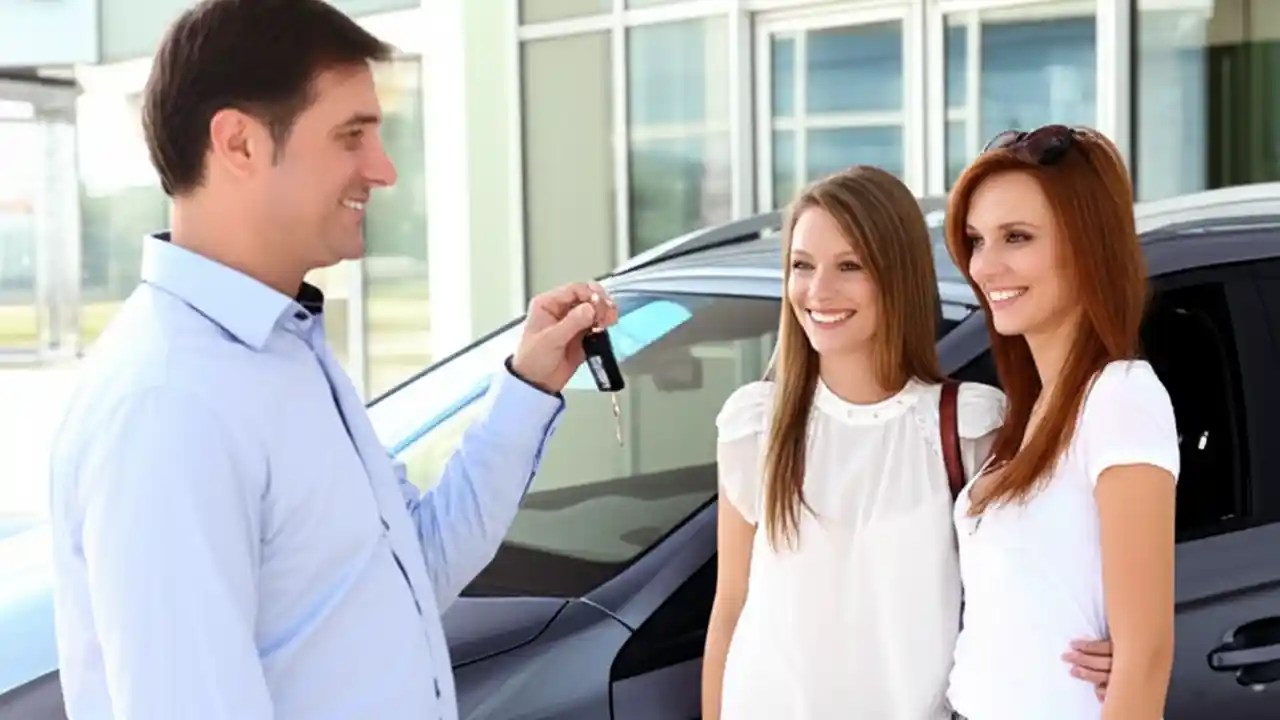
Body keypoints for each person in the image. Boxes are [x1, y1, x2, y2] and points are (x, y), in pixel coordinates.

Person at [46, 1, 617, 718]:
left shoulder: (282, 352)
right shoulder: (168, 405)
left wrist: (529, 387)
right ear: (239, 144)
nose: (384, 170)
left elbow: (415, 567)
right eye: (352, 135)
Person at [702, 165, 1112, 720]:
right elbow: (730, 604)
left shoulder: (968, 426)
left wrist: (1111, 645)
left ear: (897, 276)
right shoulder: (754, 425)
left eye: (850, 266)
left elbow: (1032, 585)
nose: (818, 291)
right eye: (802, 265)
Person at [944, 125, 1179, 720]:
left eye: (1017, 237)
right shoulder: (1033, 410)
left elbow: (1146, 658)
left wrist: (1128, 663)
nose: (985, 266)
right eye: (976, 240)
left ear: (1087, 244)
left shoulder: (1121, 396)